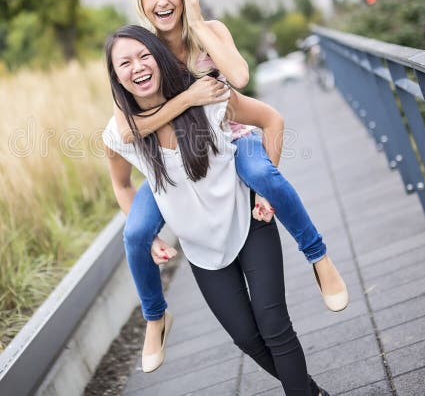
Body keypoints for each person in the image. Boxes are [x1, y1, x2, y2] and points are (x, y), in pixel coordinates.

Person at [114, 0, 347, 371]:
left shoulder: (209, 30)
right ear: (139, 2)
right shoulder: (142, 51)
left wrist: (199, 22)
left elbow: (239, 78)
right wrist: (188, 96)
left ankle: (319, 256)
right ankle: (155, 317)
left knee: (261, 172)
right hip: (174, 161)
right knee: (134, 234)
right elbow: (128, 130)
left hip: (231, 139)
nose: (162, 1)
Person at [103, 25, 329, 396]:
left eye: (144, 55)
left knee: (275, 327)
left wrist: (265, 188)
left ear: (160, 60)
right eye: (124, 62)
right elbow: (121, 184)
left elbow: (271, 119)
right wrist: (148, 232)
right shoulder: (118, 137)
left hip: (249, 223)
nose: (137, 67)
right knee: (247, 339)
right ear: (115, 77)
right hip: (203, 249)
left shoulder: (209, 97)